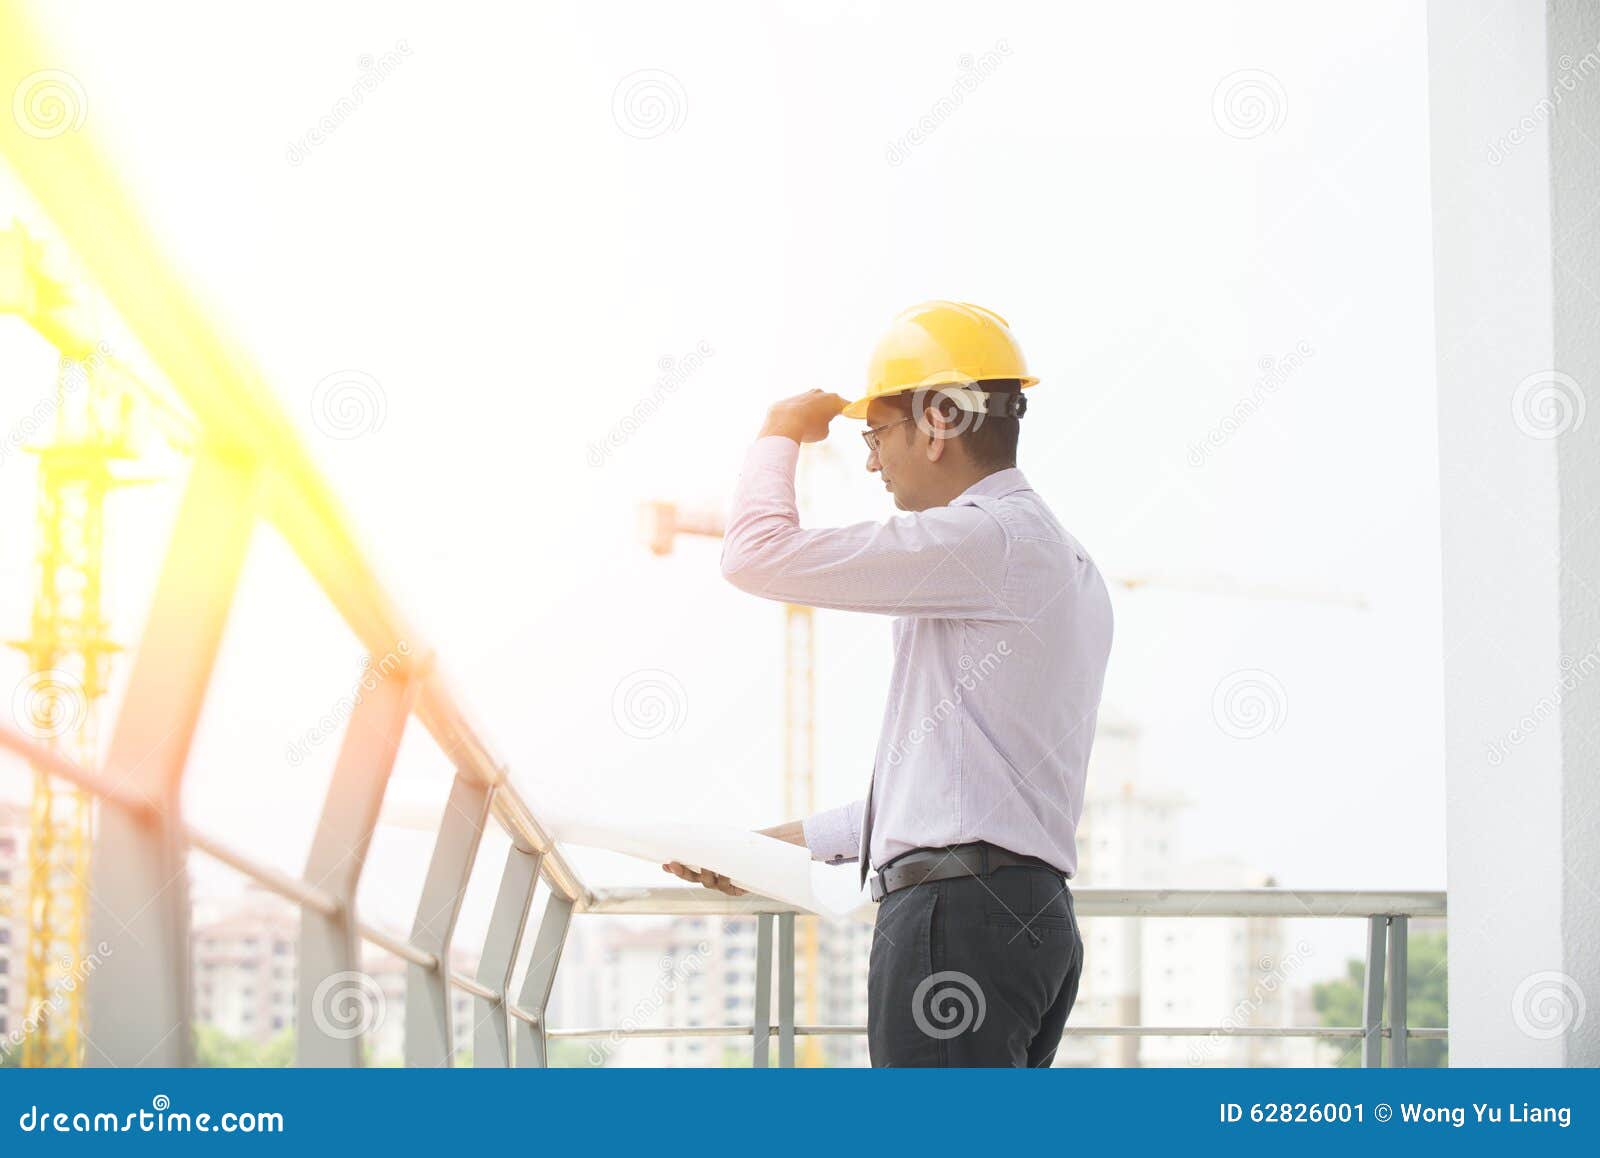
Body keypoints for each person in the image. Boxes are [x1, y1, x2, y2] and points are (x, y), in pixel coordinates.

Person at [664, 300, 1114, 1067]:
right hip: (1026, 920)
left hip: (955, 923)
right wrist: (769, 848)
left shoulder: (985, 540)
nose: (871, 462)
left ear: (937, 419)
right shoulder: (1066, 563)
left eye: (876, 434)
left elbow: (756, 554)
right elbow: (945, 795)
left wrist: (778, 428)